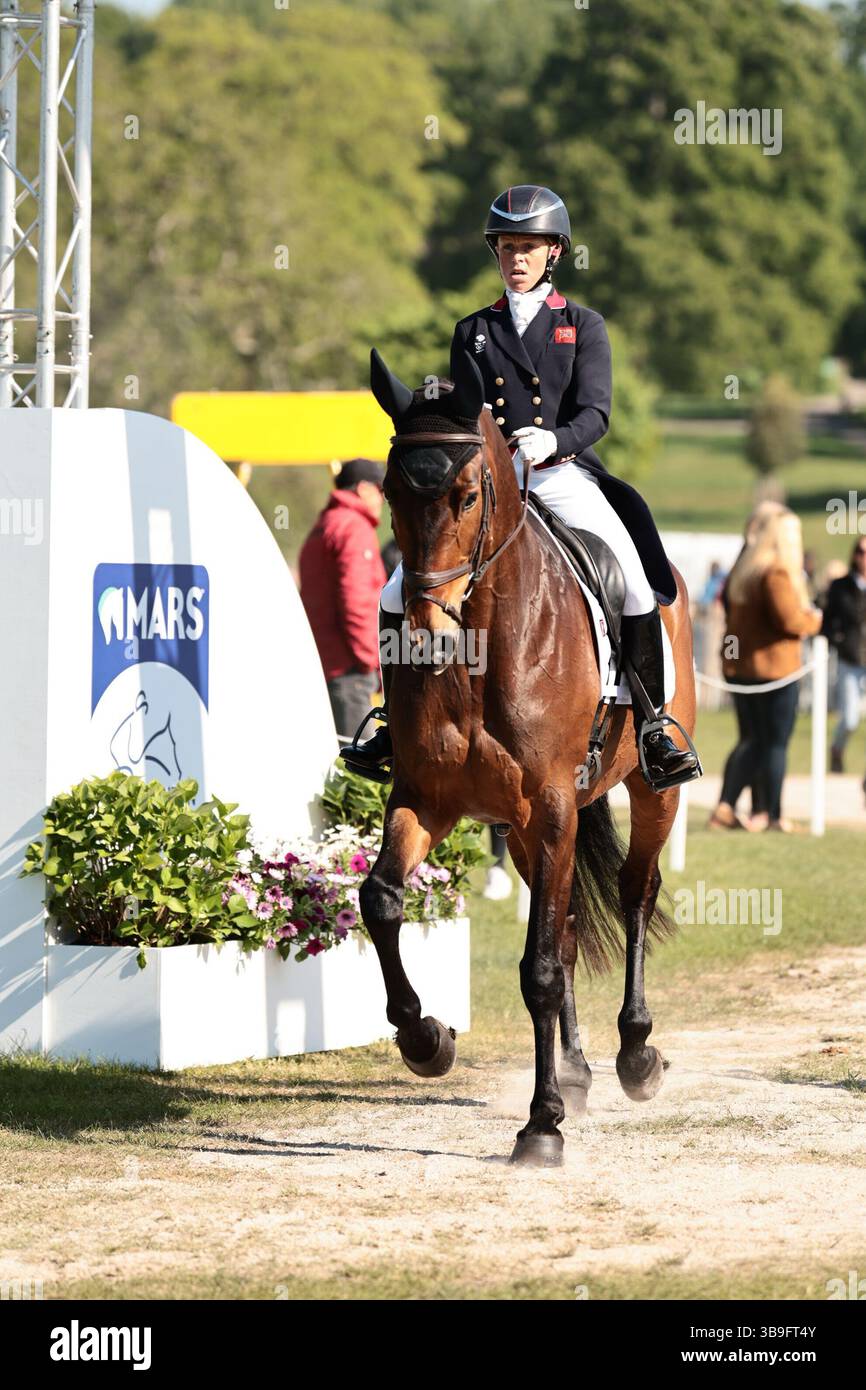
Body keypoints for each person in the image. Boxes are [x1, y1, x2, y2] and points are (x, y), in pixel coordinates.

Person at [344, 184, 699, 792]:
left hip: (562, 476)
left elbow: (597, 414)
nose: (516, 257)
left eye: (528, 247)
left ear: (554, 251)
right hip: (489, 487)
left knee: (637, 584)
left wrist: (553, 441)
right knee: (396, 592)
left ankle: (652, 725)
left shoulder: (583, 325)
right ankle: (389, 719)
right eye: (507, 246)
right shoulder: (472, 330)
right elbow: (461, 414)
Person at [709, 508, 822, 832]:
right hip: (775, 671)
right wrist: (818, 620)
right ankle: (771, 815)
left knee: (752, 741)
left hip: (742, 669)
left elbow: (733, 623)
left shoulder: (746, 570)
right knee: (773, 744)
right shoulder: (776, 573)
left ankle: (727, 807)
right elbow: (791, 620)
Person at [298, 458, 387, 740]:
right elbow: (356, 601)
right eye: (380, 490)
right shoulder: (354, 528)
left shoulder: (325, 523)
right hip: (350, 668)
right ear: (363, 489)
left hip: (325, 661)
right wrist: (370, 661)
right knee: (360, 769)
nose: (383, 499)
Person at [823, 537, 866, 776]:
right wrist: (836, 640)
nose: (864, 557)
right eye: (861, 551)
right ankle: (837, 749)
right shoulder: (842, 586)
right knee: (850, 718)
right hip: (851, 659)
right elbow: (827, 620)